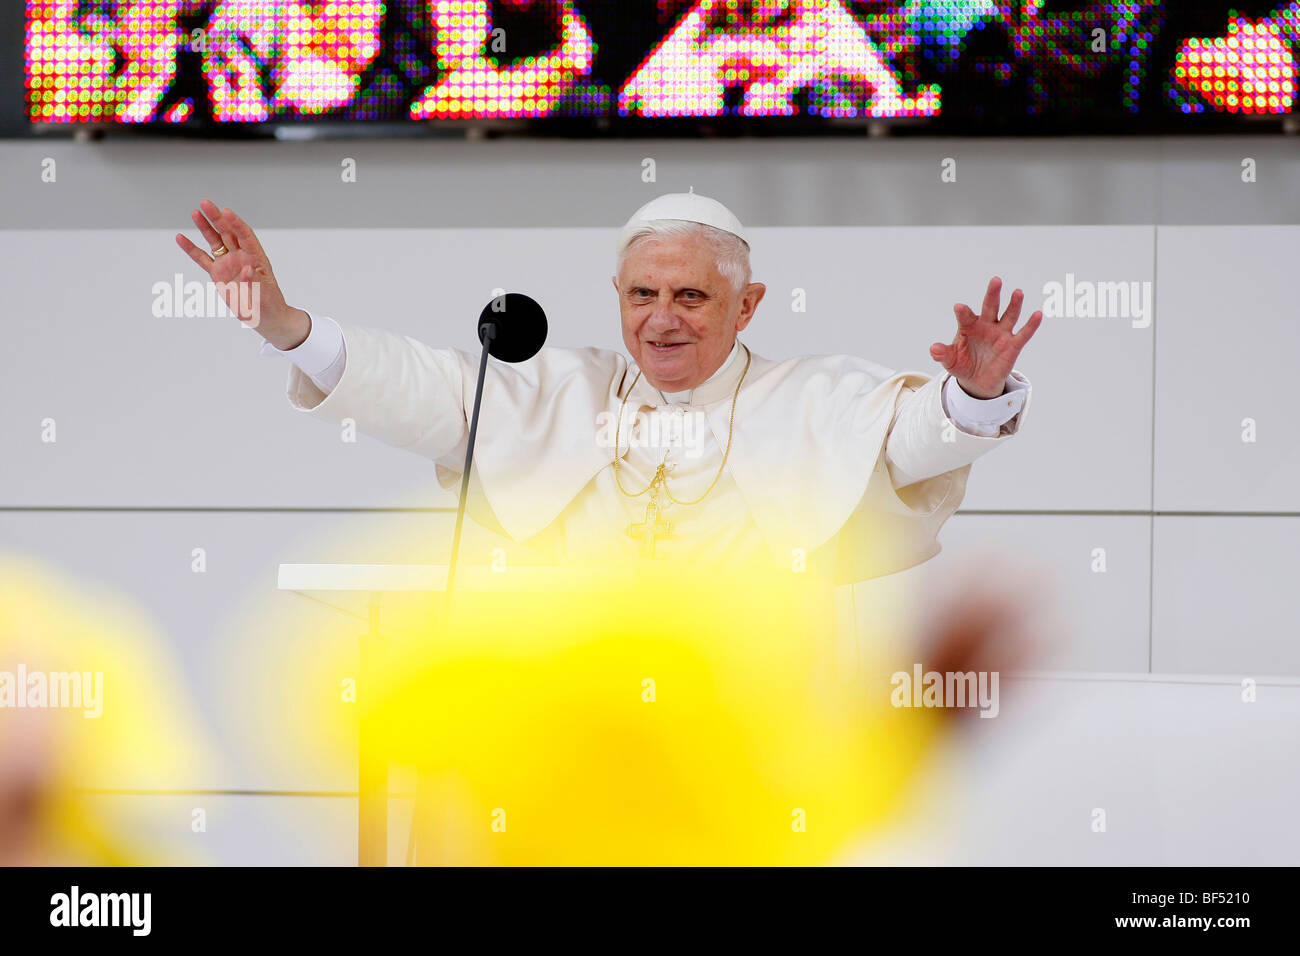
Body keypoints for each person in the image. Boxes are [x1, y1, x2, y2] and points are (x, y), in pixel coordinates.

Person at [175, 191, 1040, 582]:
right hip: (578, 720)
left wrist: (971, 392)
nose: (663, 319)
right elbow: (416, 389)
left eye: (692, 296)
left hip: (755, 726)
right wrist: (283, 324)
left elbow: (913, 437)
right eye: (643, 295)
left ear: (747, 307)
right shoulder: (562, 391)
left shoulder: (808, 397)